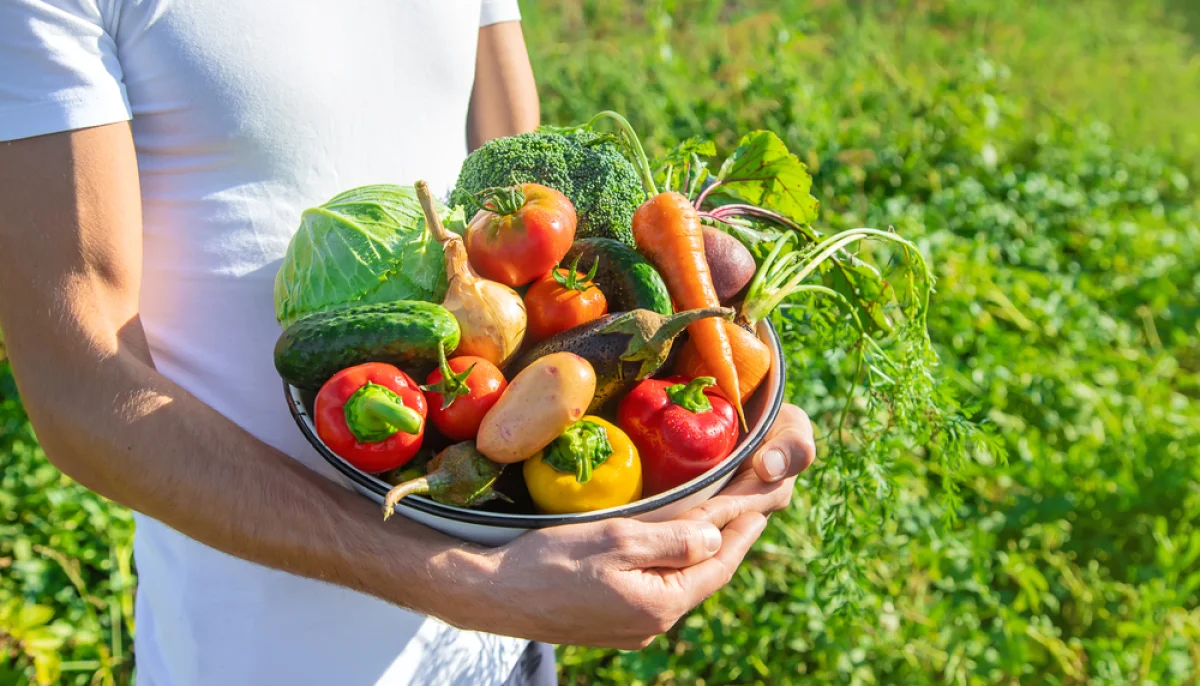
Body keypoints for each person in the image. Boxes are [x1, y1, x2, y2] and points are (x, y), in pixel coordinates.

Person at [0, 1, 817, 684]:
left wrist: (717, 377)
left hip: (505, 648)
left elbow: (523, 202)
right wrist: (470, 583)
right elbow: (82, 389)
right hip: (270, 659)